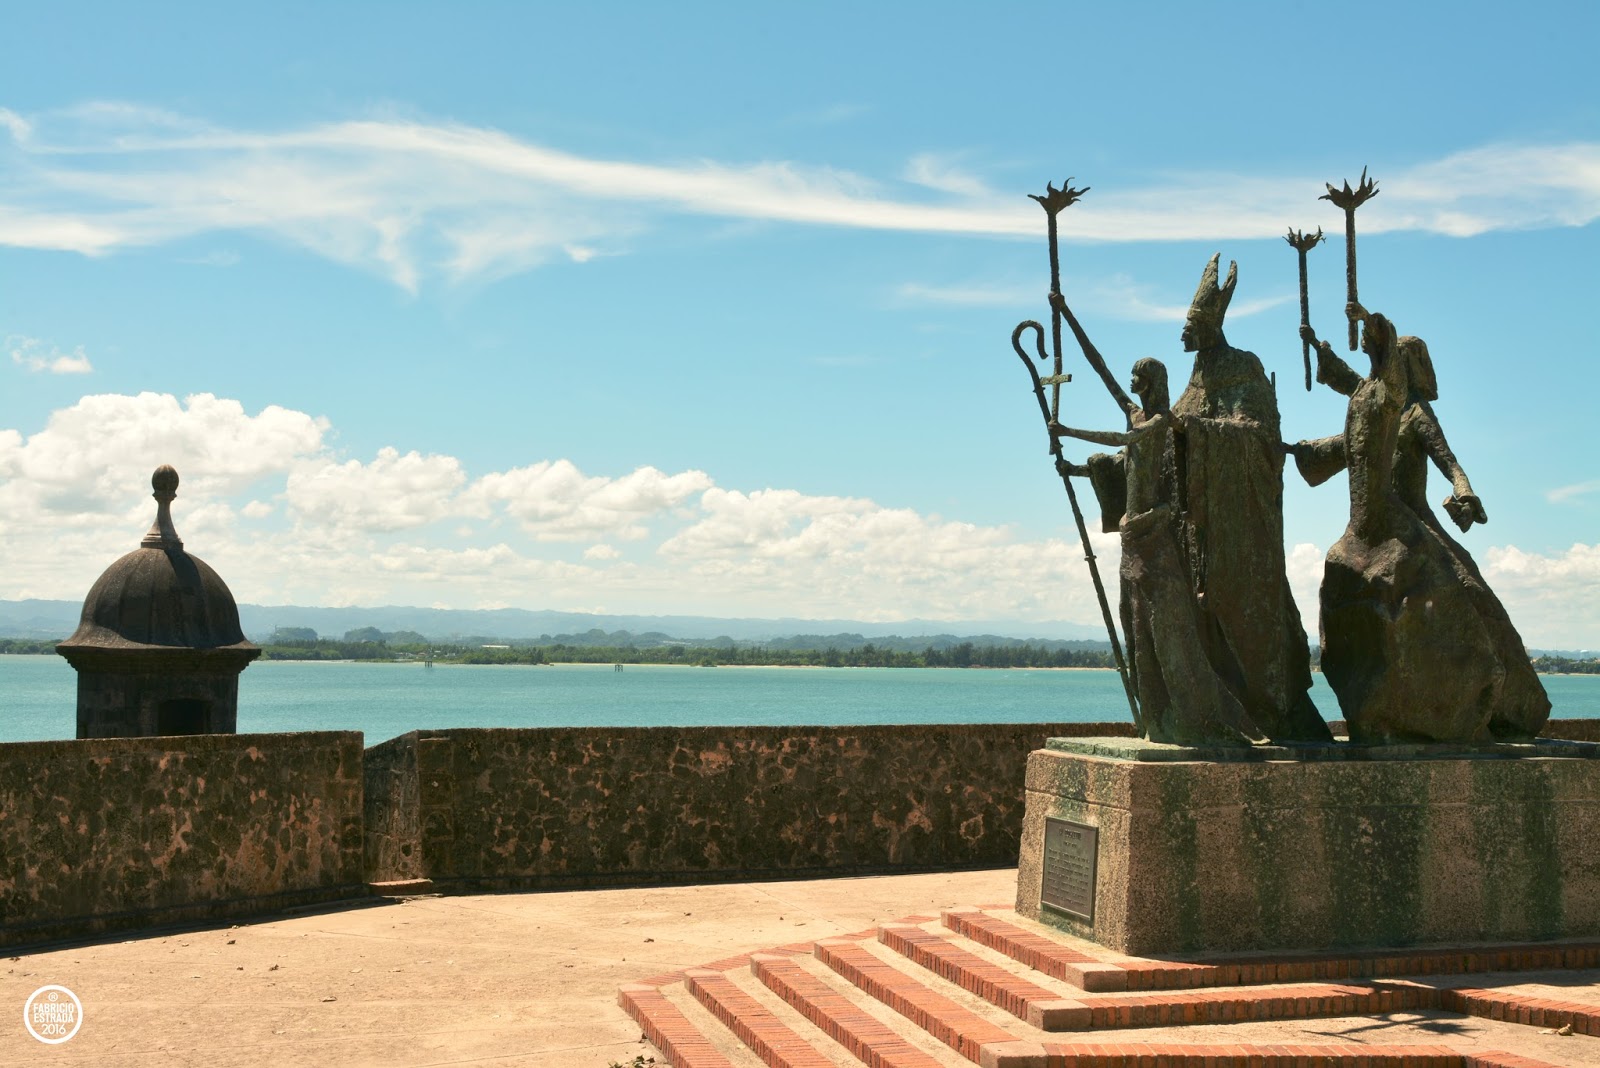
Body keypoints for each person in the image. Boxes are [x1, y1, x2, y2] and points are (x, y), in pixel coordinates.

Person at [1053, 254, 1329, 743]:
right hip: (1183, 534)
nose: (1184, 334)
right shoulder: (1192, 382)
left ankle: (1266, 713)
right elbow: (1152, 450)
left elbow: (1259, 437)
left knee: (1239, 623)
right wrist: (1092, 468)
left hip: (1233, 534)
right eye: (1184, 323)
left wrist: (1197, 431)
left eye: (1193, 324)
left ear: (1211, 325)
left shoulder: (1244, 369)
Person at [1290, 326, 1550, 739]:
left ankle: (1508, 696)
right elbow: (1346, 383)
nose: (1381, 359)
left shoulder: (1417, 415)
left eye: (1391, 355)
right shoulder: (1380, 398)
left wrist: (1463, 490)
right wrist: (1319, 345)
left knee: (1471, 590)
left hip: (1417, 520)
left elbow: (1450, 462)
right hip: (1377, 516)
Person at [1051, 359, 1256, 746]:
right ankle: (1155, 717)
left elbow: (1124, 441)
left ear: (1155, 382)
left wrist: (1068, 430)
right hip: (1132, 541)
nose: (1133, 385)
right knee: (1136, 626)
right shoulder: (1136, 414)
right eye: (1133, 380)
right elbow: (1105, 376)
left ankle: (1192, 715)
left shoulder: (1160, 420)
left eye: (1140, 379)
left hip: (1153, 537)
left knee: (1165, 630)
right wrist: (1075, 469)